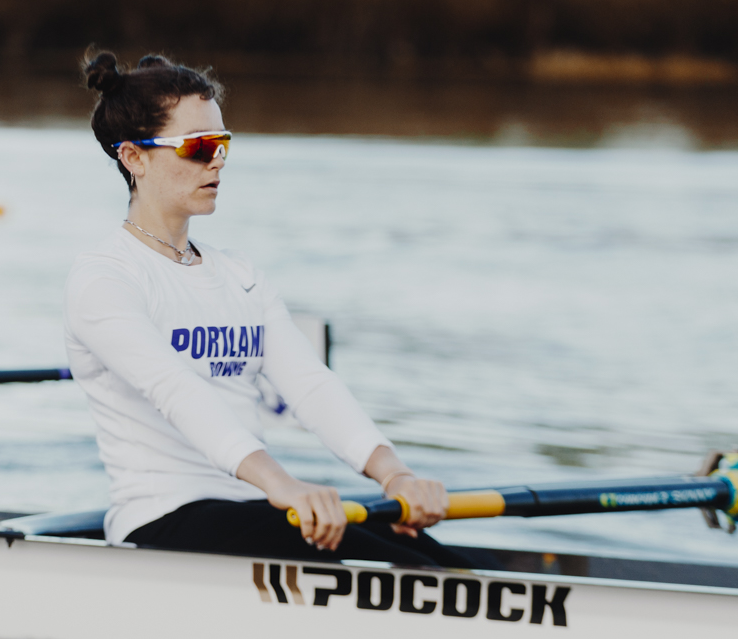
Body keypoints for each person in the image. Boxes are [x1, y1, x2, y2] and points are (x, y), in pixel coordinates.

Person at [65, 52, 488, 568]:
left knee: (445, 566)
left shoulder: (240, 275)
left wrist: (393, 475)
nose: (216, 161)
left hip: (255, 506)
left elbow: (311, 386)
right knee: (403, 567)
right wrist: (284, 485)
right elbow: (179, 393)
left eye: (222, 145)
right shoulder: (106, 278)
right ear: (134, 157)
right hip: (163, 518)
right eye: (198, 147)